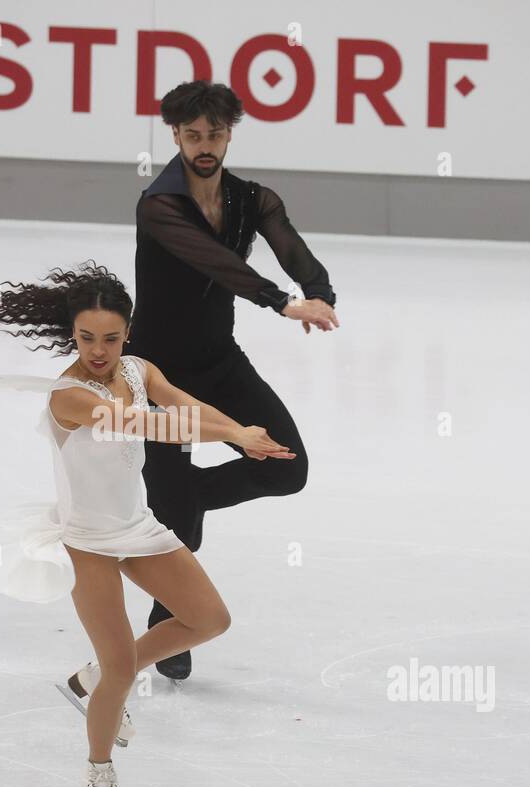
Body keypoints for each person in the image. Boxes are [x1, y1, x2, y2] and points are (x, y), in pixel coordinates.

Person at [0, 261, 295, 787]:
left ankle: (92, 677)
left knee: (210, 619)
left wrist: (240, 433)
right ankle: (99, 768)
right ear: (71, 335)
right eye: (86, 338)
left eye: (110, 337)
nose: (98, 350)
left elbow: (184, 404)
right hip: (87, 542)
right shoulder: (70, 397)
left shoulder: (137, 369)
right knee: (123, 666)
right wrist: (235, 435)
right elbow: (155, 426)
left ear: (128, 332)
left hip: (137, 527)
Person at [126, 79, 341, 681]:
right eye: (192, 134)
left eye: (215, 134)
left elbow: (291, 249)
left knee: (286, 467)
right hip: (157, 375)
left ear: (229, 134)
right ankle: (171, 619)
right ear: (175, 134)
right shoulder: (159, 204)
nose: (204, 145)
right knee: (172, 515)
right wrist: (280, 303)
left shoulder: (254, 199)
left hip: (220, 362)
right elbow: (215, 260)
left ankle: (189, 496)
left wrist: (318, 294)